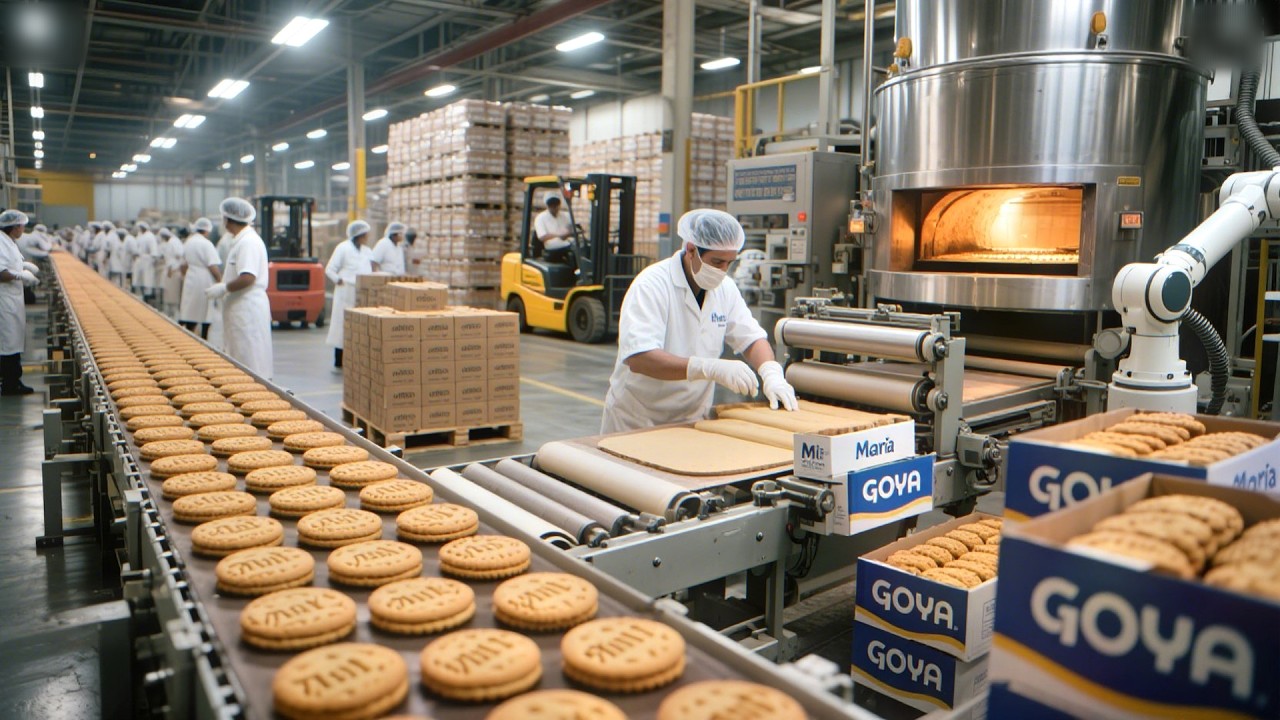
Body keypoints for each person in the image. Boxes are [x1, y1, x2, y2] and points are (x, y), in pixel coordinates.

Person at [600, 209, 799, 434]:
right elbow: (640, 358)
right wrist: (707, 367)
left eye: (729, 263)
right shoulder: (651, 285)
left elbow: (751, 338)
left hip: (692, 418)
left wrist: (771, 373)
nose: (723, 271)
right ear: (691, 250)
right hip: (639, 419)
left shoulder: (725, 288)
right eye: (716, 262)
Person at [205, 198, 272, 378]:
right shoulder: (241, 241)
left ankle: (255, 396)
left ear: (228, 219)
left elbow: (248, 277)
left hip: (247, 309)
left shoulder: (248, 243)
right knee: (242, 356)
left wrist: (224, 288)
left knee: (249, 359)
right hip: (241, 308)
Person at [324, 220, 373, 369]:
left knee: (358, 327)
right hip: (345, 291)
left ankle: (356, 360)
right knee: (341, 326)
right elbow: (330, 269)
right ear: (358, 236)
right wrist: (338, 280)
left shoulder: (367, 251)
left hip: (360, 293)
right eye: (365, 235)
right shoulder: (343, 248)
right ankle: (339, 360)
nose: (367, 238)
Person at [0, 210, 39, 395]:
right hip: (4, 300)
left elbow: (11, 264)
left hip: (13, 299)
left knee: (13, 340)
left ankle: (13, 380)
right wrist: (19, 274)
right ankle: (9, 383)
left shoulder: (9, 242)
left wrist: (24, 266)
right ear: (15, 227)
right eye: (22, 226)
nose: (23, 229)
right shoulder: (0, 242)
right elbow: (1, 273)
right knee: (7, 342)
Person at [180, 217, 221, 339]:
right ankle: (204, 336)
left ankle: (189, 334)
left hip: (190, 276)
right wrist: (220, 280)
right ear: (207, 230)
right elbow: (212, 265)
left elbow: (183, 264)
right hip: (203, 277)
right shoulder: (206, 244)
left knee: (190, 307)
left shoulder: (188, 242)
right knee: (205, 309)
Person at [533, 192, 573, 260]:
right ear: (547, 205)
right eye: (551, 204)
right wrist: (559, 235)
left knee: (584, 248)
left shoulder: (566, 216)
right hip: (553, 247)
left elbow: (572, 227)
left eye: (556, 204)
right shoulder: (540, 218)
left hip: (568, 243)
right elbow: (542, 237)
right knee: (574, 252)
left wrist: (569, 232)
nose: (554, 206)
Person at [160, 227, 184, 317]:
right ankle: (170, 315)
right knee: (169, 296)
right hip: (170, 271)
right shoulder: (170, 242)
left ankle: (175, 317)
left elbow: (179, 256)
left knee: (173, 298)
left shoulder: (174, 242)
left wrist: (173, 269)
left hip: (174, 271)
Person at [136, 221, 159, 304]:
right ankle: (143, 294)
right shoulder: (142, 236)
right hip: (142, 260)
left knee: (148, 278)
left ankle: (148, 295)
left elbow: (153, 251)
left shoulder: (150, 236)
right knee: (142, 278)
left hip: (148, 261)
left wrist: (152, 260)